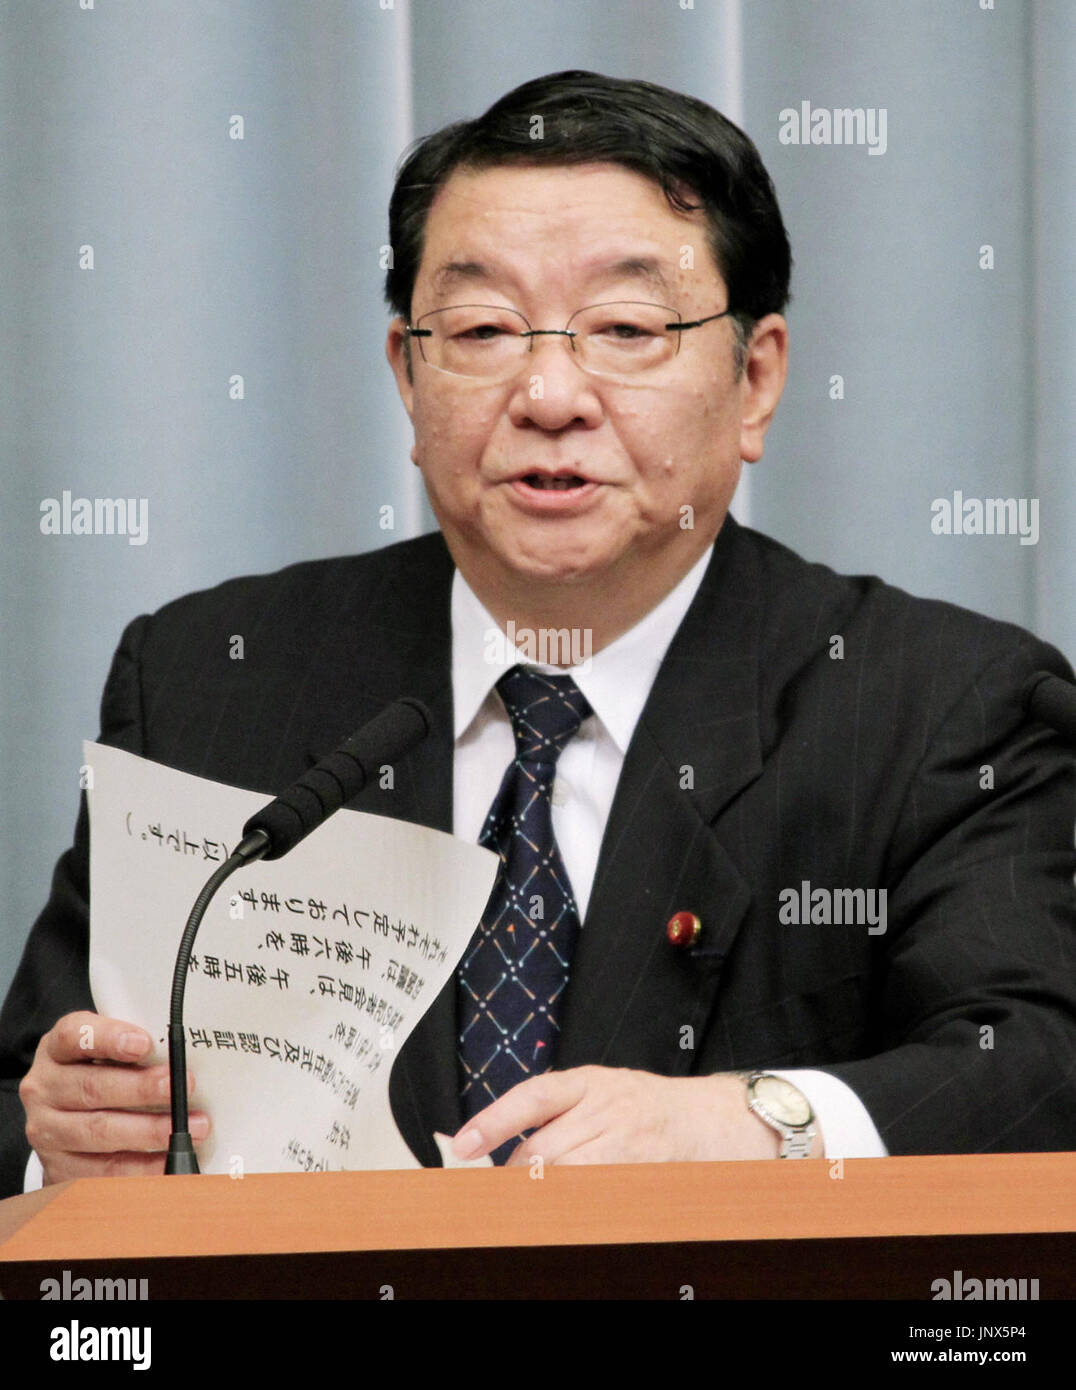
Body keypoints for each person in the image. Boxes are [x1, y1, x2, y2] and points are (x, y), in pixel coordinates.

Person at [2, 70, 1074, 1197]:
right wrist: (56, 1145)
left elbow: (1041, 1061)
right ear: (408, 377)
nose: (549, 391)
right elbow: (31, 1091)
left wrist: (753, 1128)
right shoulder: (210, 683)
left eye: (623, 326)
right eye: (480, 328)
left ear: (754, 381)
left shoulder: (936, 710)